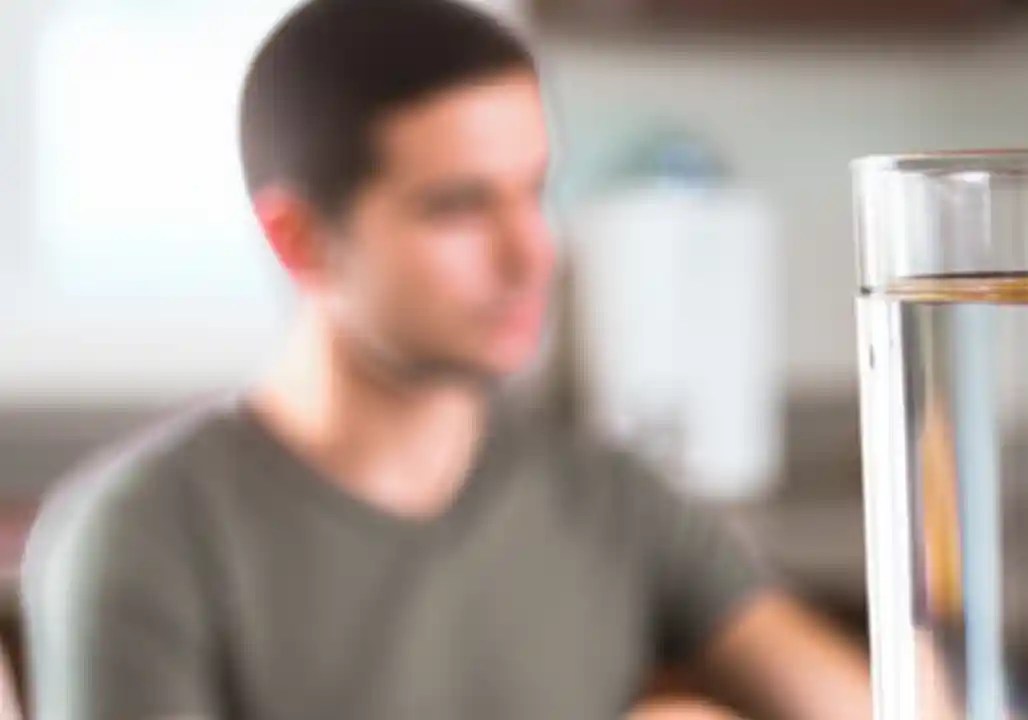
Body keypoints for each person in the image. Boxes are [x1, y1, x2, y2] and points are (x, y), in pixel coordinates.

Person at [21, 1, 874, 717]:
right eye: (460, 208)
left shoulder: (611, 501)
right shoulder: (144, 538)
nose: (532, 252)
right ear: (301, 239)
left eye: (534, 192)